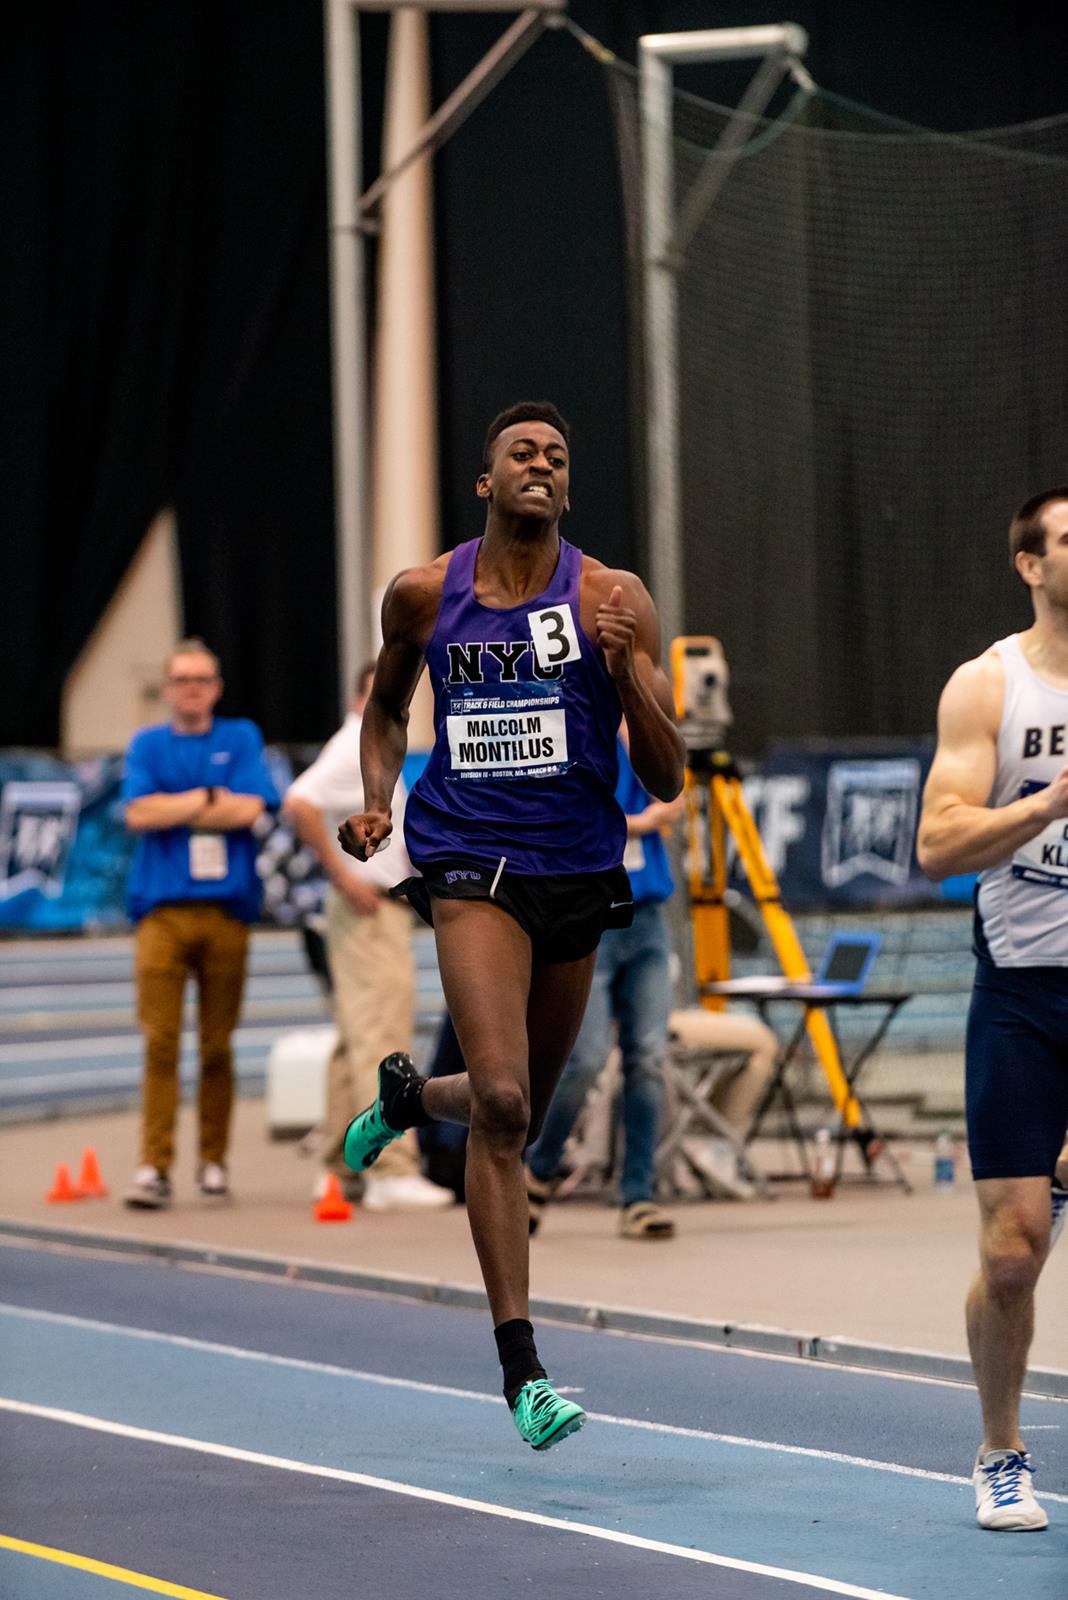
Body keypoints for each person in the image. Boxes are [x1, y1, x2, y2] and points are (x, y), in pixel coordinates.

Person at [339, 401, 685, 1450]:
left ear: (567, 489)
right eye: (521, 453)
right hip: (467, 860)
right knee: (497, 1099)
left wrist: (626, 666)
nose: (541, 464)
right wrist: (378, 797)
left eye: (558, 457)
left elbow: (667, 771)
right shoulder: (421, 593)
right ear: (485, 482)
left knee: (520, 1109)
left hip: (576, 866)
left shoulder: (614, 597)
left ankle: (405, 1094)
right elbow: (388, 707)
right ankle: (524, 1369)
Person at [917, 484, 1068, 1532]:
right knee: (1015, 1248)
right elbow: (936, 842)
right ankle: (1002, 1449)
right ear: (1031, 563)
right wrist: (1051, 801)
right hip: (1021, 987)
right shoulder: (989, 686)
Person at [283, 663, 451, 1211]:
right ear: (368, 695)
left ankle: (343, 1165)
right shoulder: (353, 744)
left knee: (355, 1037)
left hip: (373, 906)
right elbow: (299, 802)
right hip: (367, 908)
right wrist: (343, 874)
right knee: (382, 1032)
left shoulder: (367, 748)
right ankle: (391, 1170)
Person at [121, 638, 279, 1208]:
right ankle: (153, 1165)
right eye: (182, 679)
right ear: (167, 688)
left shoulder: (240, 738)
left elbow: (254, 807)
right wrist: (212, 795)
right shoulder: (147, 744)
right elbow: (137, 814)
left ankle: (213, 1160)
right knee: (160, 1043)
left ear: (216, 687)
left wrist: (177, 804)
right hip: (161, 913)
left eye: (202, 679)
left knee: (218, 1046)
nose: (192, 688)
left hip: (225, 913)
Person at [524, 734, 685, 1239]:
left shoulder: (647, 737)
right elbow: (574, 822)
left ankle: (638, 1195)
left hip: (648, 918)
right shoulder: (573, 734)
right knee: (586, 1057)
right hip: (589, 916)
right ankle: (538, 1169)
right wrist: (641, 822)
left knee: (647, 1057)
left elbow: (676, 797)